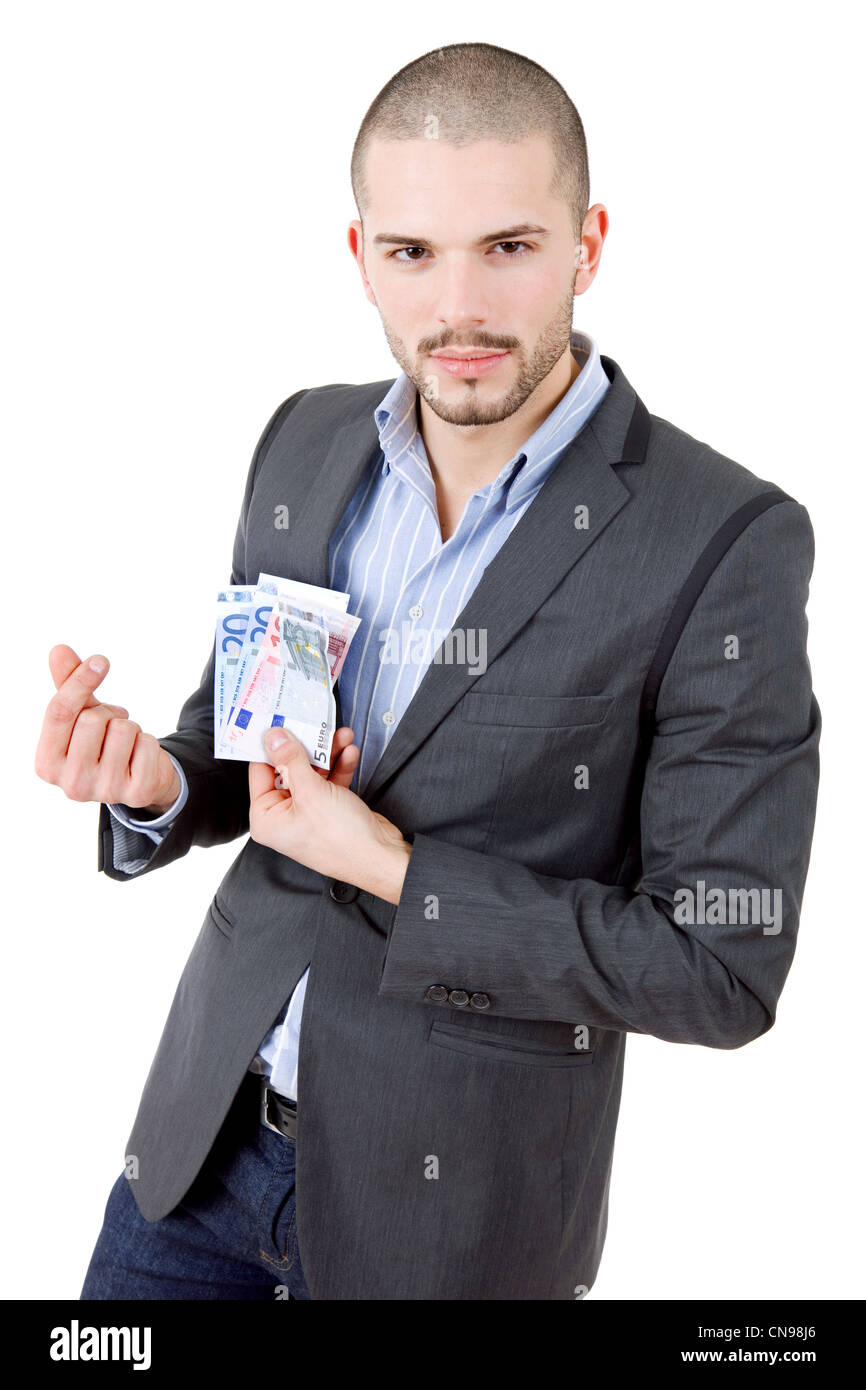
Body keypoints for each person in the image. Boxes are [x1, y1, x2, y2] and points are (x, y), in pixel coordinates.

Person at [35, 41, 820, 1301]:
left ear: (587, 243)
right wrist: (157, 786)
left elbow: (716, 966)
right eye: (411, 253)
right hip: (192, 1163)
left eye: (507, 246)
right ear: (360, 258)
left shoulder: (720, 539)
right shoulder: (301, 442)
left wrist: (390, 869)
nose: (457, 308)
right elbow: (245, 746)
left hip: (452, 1233)